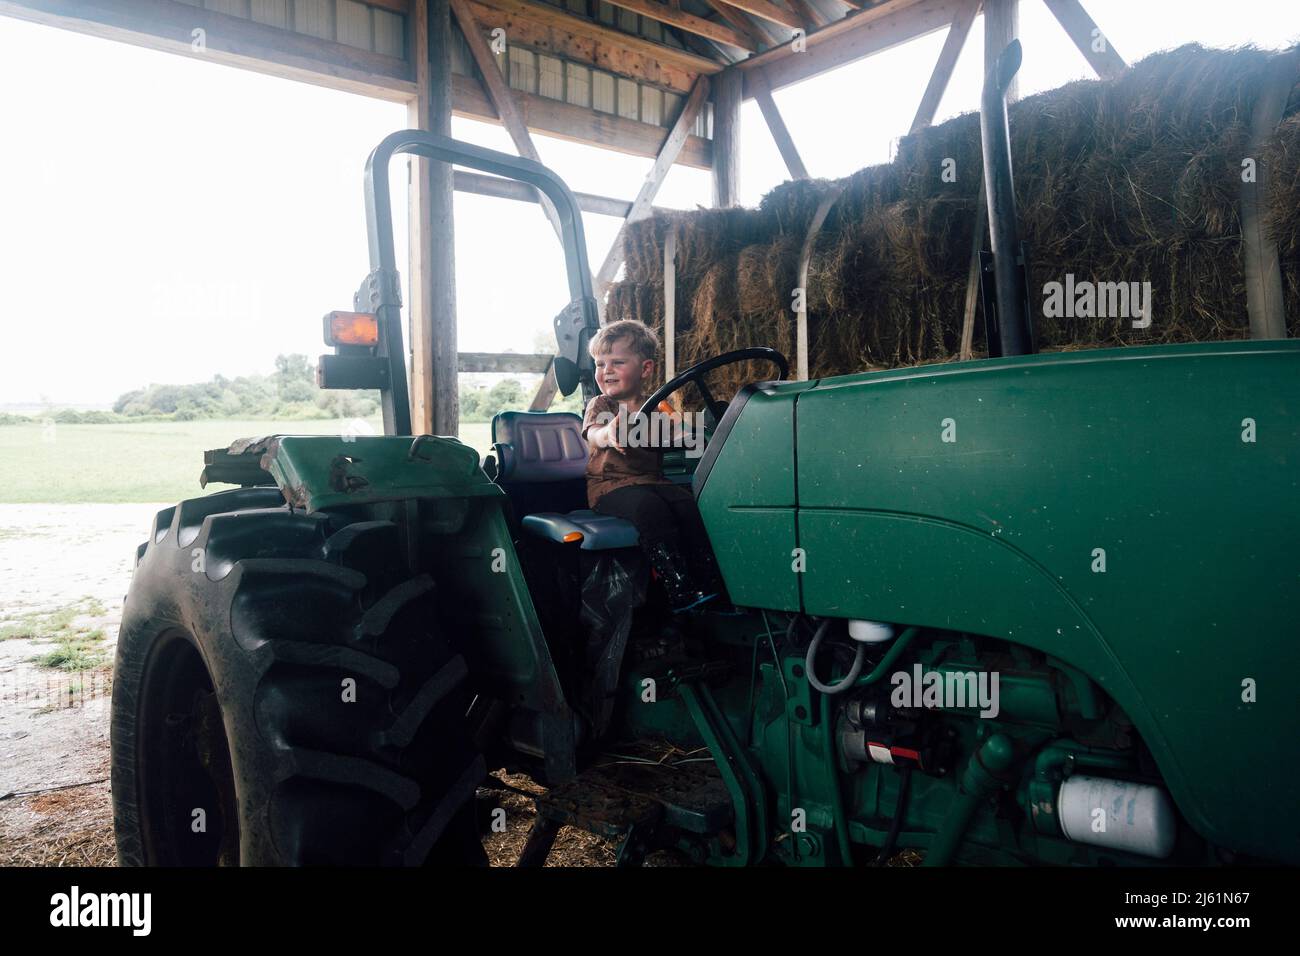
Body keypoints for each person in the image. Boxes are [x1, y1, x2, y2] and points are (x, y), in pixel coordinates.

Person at [581, 319, 718, 611]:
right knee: (649, 509)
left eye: (617, 362)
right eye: (599, 364)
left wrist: (693, 433)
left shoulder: (656, 406)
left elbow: (673, 435)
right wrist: (608, 433)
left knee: (689, 505)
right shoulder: (601, 405)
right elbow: (594, 434)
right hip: (610, 486)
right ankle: (678, 585)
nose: (606, 371)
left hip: (651, 481)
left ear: (645, 369)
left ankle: (710, 581)